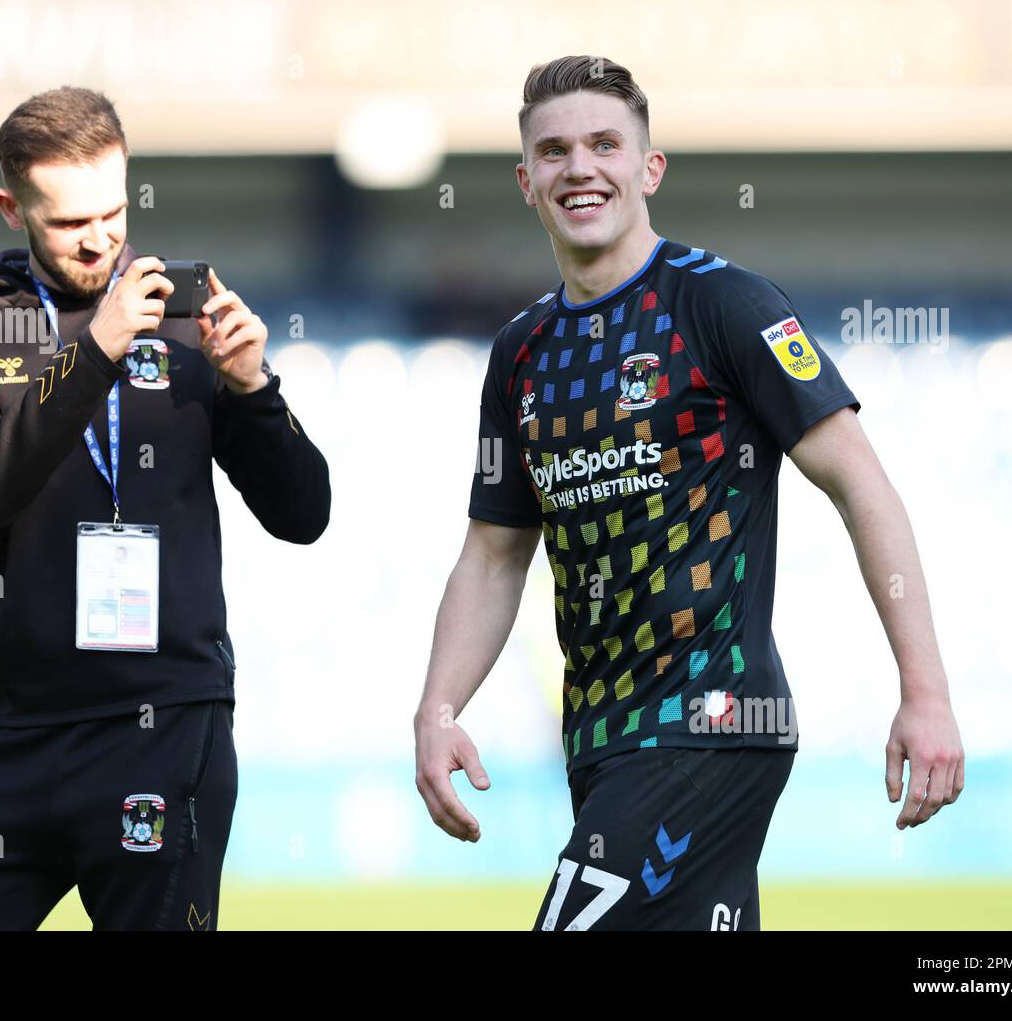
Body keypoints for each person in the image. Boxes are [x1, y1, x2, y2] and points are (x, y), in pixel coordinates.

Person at [412, 56, 963, 931]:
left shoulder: (725, 306)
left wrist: (925, 690)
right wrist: (438, 710)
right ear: (527, 180)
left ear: (648, 167)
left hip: (714, 720)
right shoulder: (518, 353)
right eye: (554, 151)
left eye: (604, 144)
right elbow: (492, 553)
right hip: (598, 743)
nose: (580, 167)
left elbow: (861, 482)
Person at [0, 86, 330, 930]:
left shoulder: (190, 322)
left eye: (114, 212)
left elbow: (303, 513)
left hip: (164, 726)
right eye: (67, 223)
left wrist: (254, 390)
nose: (99, 241)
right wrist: (95, 350)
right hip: (9, 734)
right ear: (10, 207)